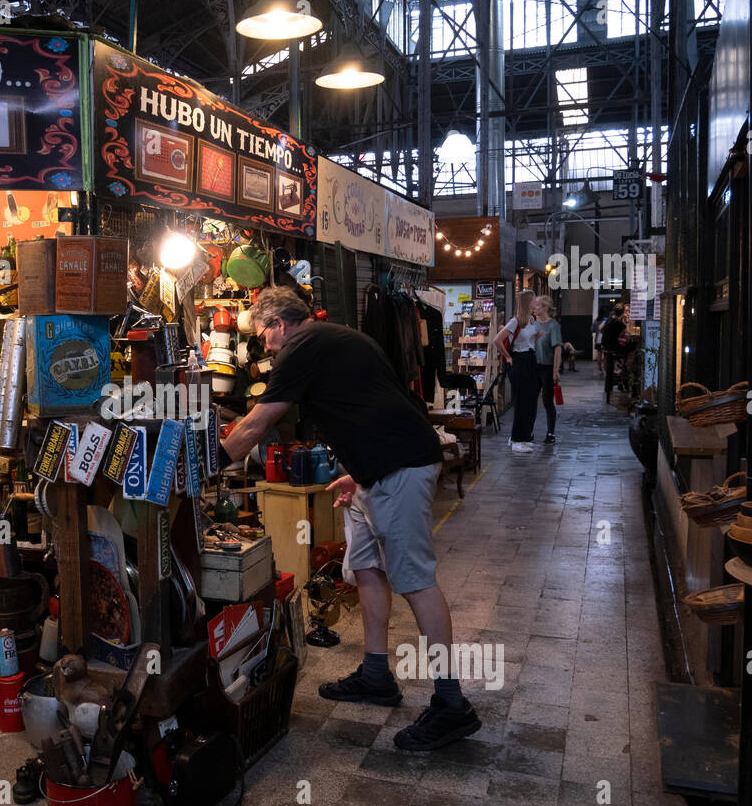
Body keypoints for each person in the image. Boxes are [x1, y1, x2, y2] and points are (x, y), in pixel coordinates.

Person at [220, 287, 482, 751]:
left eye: (262, 337)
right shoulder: (338, 337)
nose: (265, 348)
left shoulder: (301, 346)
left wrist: (207, 464)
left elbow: (259, 423)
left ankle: (451, 704)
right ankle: (377, 674)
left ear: (278, 324)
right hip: (374, 470)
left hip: (400, 466)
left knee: (416, 580)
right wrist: (356, 473)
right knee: (366, 568)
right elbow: (370, 405)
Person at [492, 290, 543, 453]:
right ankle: (516, 439)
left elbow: (530, 340)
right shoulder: (515, 321)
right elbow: (497, 340)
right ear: (527, 303)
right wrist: (508, 357)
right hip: (519, 361)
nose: (536, 303)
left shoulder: (532, 320)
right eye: (534, 300)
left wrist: (537, 336)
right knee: (522, 401)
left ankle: (525, 436)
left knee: (531, 401)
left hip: (531, 359)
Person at [531, 295, 563, 444]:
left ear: (544, 308)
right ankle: (528, 431)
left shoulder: (553, 326)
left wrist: (556, 370)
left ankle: (550, 433)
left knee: (547, 401)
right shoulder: (533, 323)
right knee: (531, 401)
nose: (534, 307)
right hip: (533, 367)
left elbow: (557, 349)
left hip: (547, 368)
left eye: (537, 305)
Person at [599, 304, 627, 403]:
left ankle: (617, 371)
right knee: (629, 351)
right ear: (622, 313)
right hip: (613, 347)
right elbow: (626, 329)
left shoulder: (609, 320)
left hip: (606, 346)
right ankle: (623, 371)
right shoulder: (618, 322)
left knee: (609, 369)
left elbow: (600, 328)